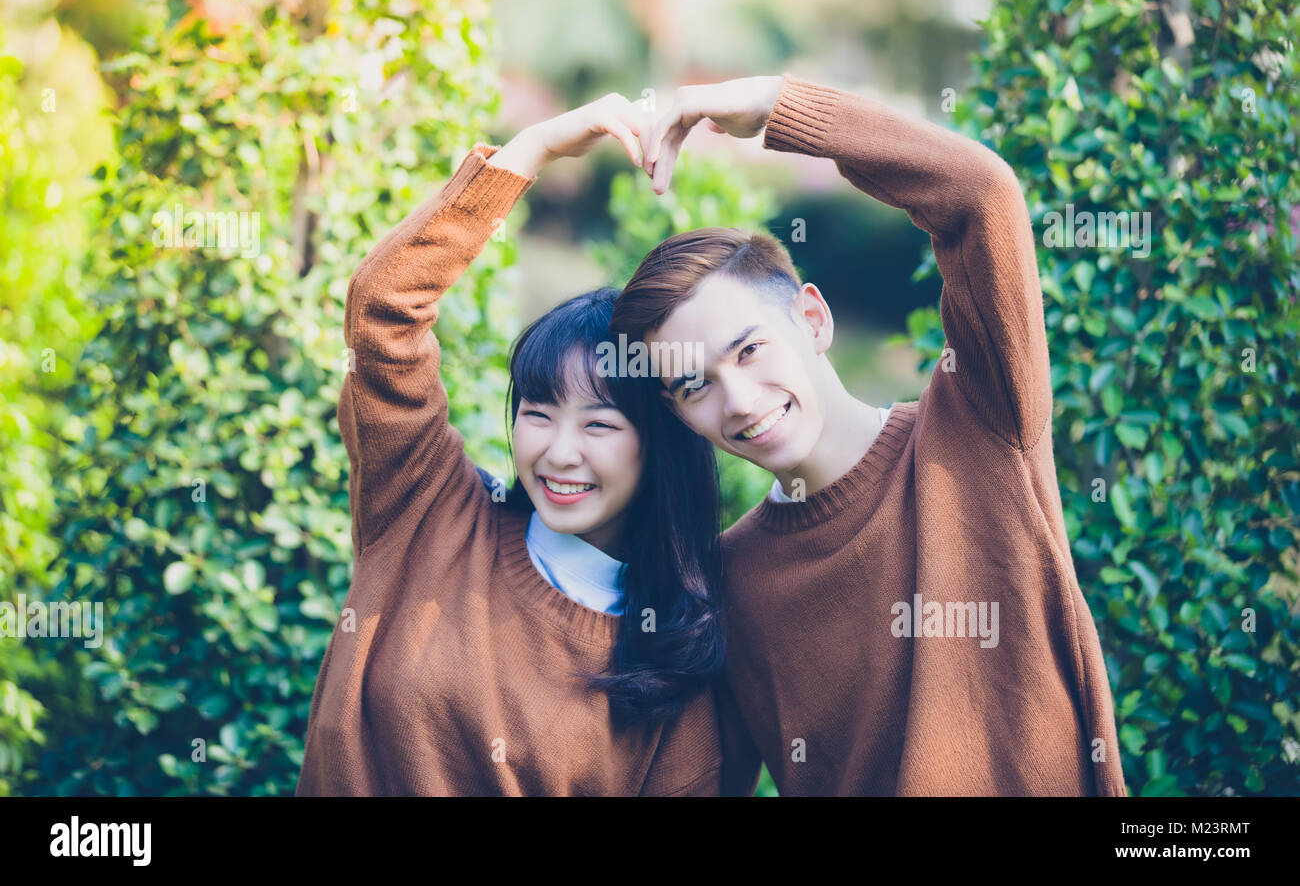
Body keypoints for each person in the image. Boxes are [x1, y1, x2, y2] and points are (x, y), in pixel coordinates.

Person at [609, 72, 1128, 796]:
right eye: (693, 384)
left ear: (813, 320)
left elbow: (982, 196)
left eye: (750, 349)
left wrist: (778, 106)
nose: (737, 399)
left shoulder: (977, 423)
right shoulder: (733, 579)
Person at [295, 93, 745, 796]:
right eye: (538, 413)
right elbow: (382, 313)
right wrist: (530, 150)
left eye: (598, 425)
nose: (559, 453)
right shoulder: (428, 511)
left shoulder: (679, 657)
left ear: (661, 445)